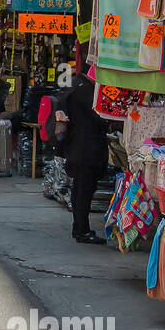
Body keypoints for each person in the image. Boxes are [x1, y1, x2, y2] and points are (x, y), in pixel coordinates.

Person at [54, 55, 110, 244]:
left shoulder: (73, 85)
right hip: (88, 148)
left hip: (75, 146)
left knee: (79, 189)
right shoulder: (88, 91)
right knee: (84, 190)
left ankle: (79, 228)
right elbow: (100, 118)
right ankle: (82, 230)